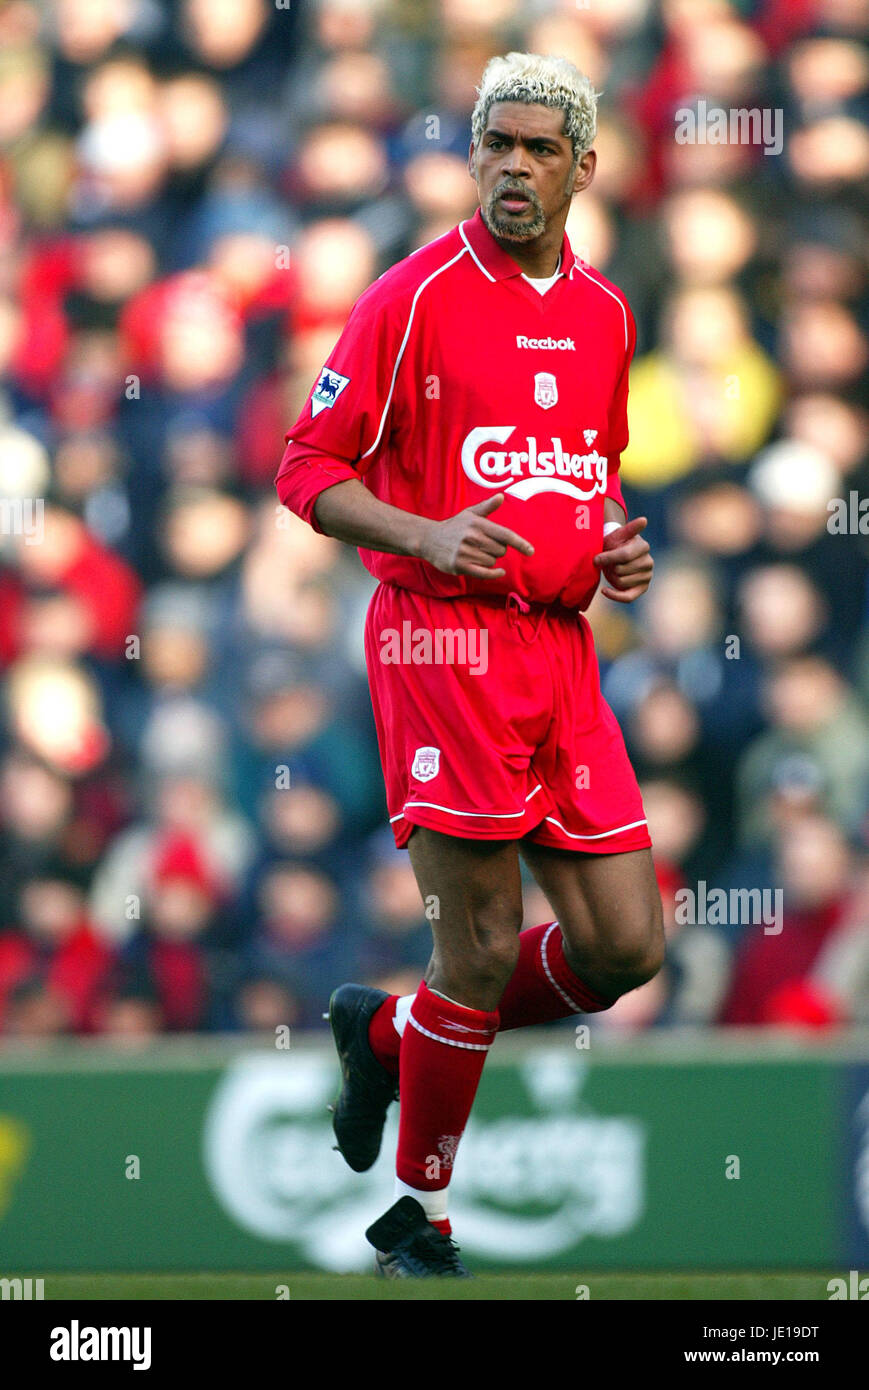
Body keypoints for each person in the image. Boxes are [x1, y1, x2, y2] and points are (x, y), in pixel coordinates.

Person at [276, 52, 663, 1278]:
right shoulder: (414, 296)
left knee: (626, 949)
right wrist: (427, 532)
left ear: (582, 167)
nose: (511, 165)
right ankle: (415, 1213)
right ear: (471, 152)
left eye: (539, 148)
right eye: (494, 142)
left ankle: (387, 1033)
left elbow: (584, 472)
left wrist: (613, 550)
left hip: (560, 651)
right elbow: (306, 469)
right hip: (443, 645)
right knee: (480, 947)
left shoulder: (606, 314)